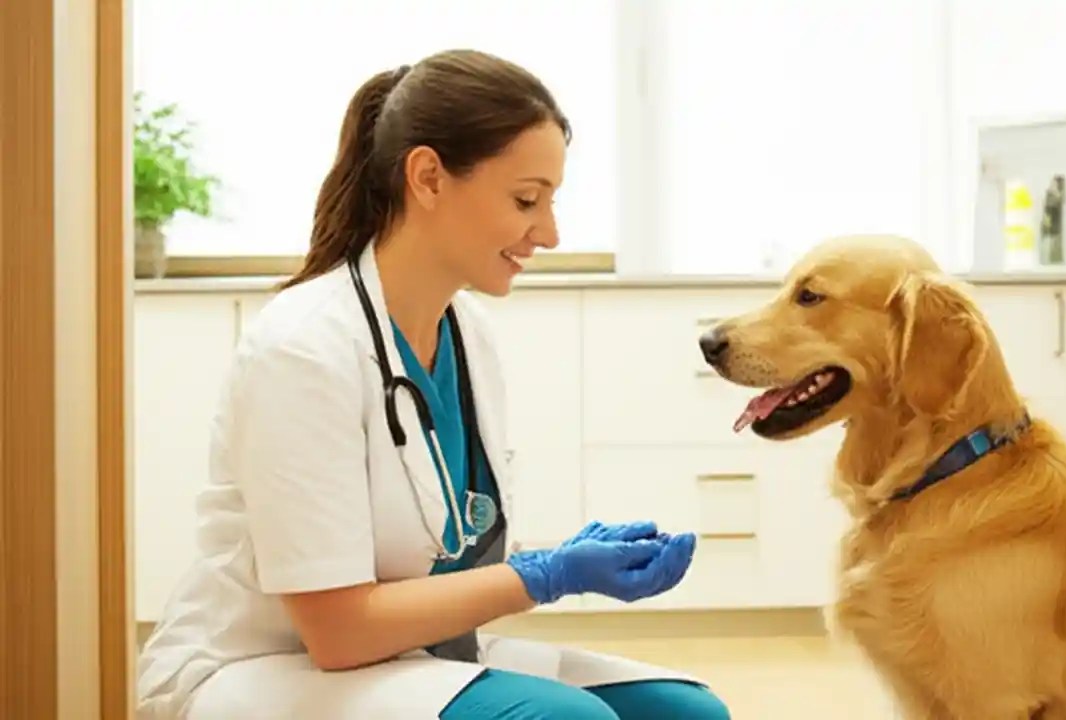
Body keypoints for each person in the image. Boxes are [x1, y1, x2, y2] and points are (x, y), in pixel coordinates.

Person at [135, 49, 731, 720]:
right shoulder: (303, 349)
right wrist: (546, 578)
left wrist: (562, 558)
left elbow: (441, 546)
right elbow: (338, 630)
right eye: (526, 200)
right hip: (269, 664)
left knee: (687, 714)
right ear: (427, 177)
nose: (551, 232)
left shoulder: (467, 335)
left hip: (412, 656)